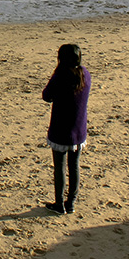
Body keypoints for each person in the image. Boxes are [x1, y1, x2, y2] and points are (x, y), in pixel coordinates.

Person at [42, 43, 91, 215]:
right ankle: (71, 202)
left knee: (60, 167)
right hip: (78, 128)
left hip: (60, 128)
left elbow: (46, 96)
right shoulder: (85, 74)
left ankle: (59, 204)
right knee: (74, 165)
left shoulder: (60, 75)